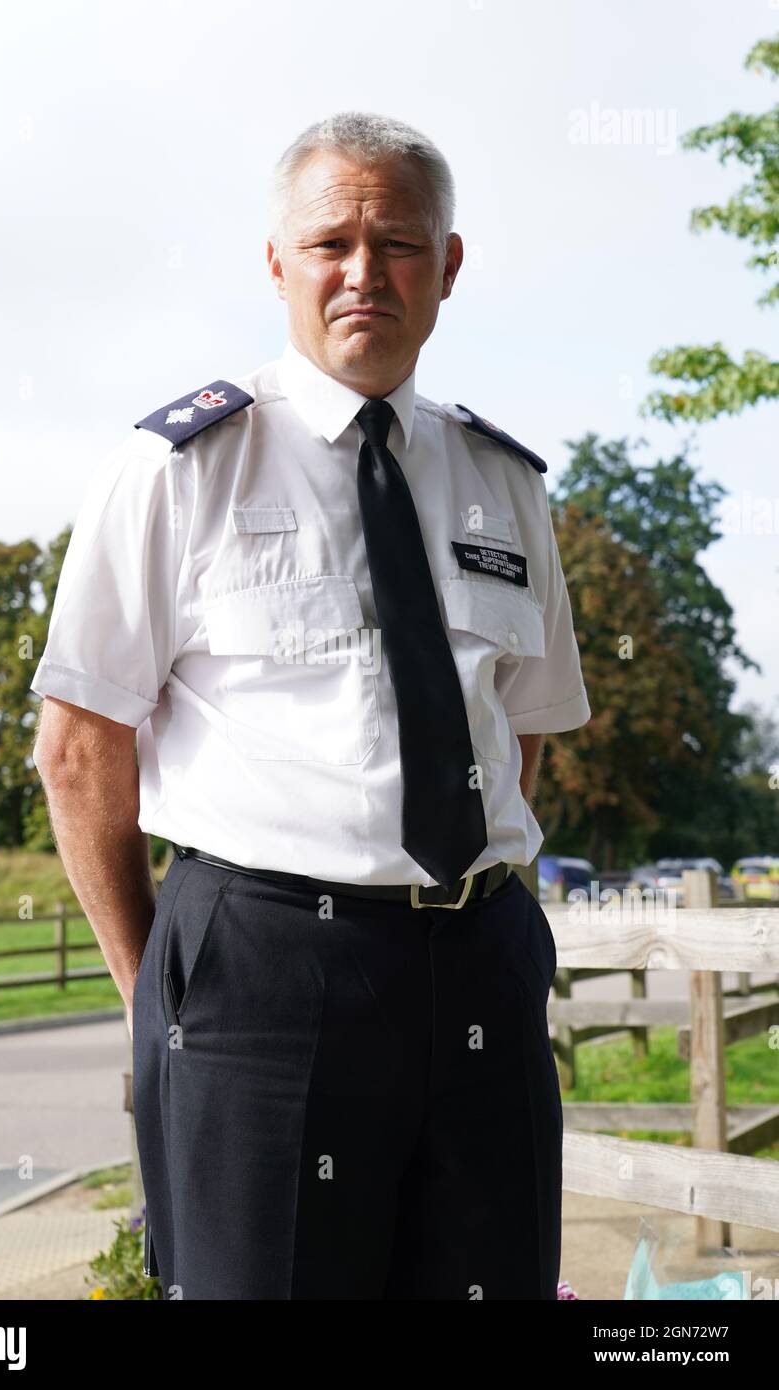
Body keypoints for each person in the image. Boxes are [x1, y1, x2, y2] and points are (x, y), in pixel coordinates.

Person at [30, 110, 591, 1300]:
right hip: (263, 975)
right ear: (277, 264)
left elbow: (521, 733)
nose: (362, 272)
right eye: (331, 241)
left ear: (447, 267)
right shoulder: (180, 467)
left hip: (481, 961)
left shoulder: (505, 483)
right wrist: (159, 998)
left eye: (396, 243)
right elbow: (80, 750)